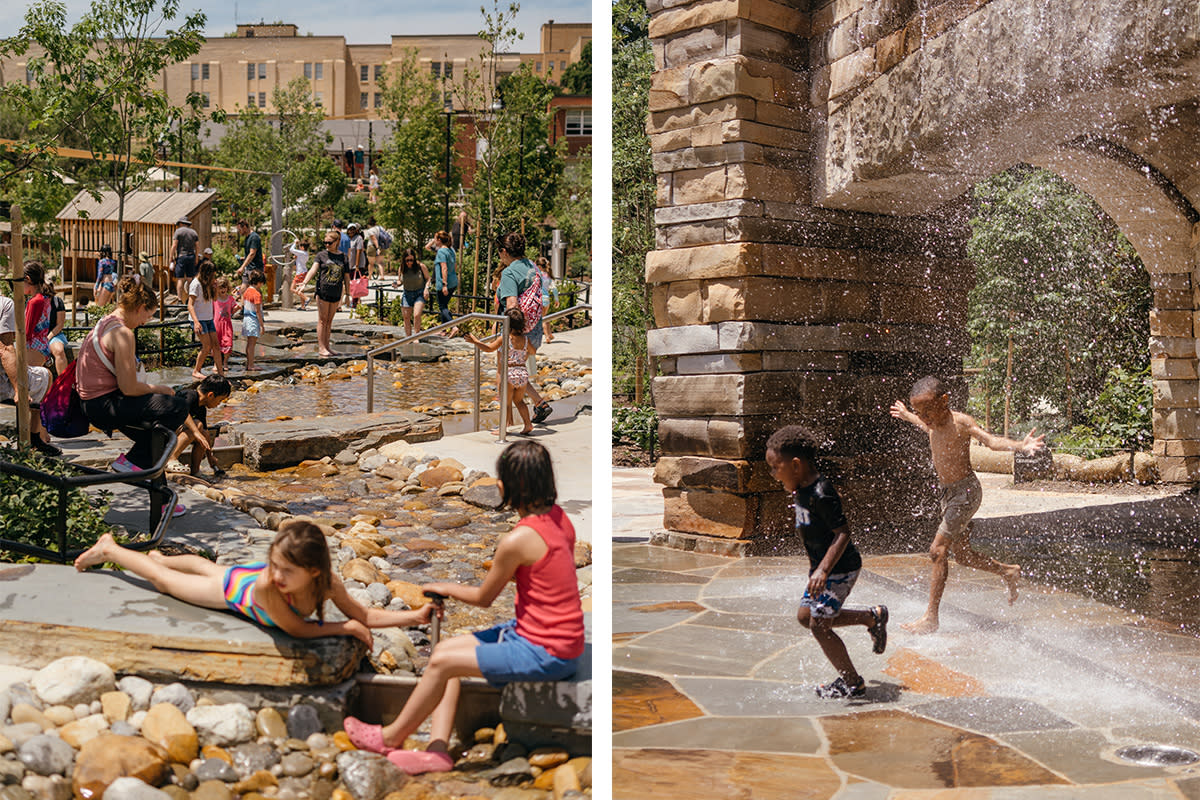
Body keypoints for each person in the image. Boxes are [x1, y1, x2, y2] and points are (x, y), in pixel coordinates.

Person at [342, 440, 584, 775]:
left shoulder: (517, 541)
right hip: (542, 635)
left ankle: (390, 736)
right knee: (445, 652)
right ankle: (438, 750)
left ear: (507, 485)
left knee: (440, 662)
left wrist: (445, 587)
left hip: (546, 651)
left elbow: (484, 599)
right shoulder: (559, 518)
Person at [74, 519, 436, 644]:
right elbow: (296, 629)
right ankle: (111, 549)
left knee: (210, 567)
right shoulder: (270, 583)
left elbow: (366, 615)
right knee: (164, 581)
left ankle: (161, 556)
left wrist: (415, 616)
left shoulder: (329, 584)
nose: (278, 575)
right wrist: (344, 629)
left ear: (313, 571)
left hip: (245, 579)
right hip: (239, 592)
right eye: (275, 564)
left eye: (286, 570)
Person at [890, 376, 1044, 634]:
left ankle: (931, 618)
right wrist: (907, 415)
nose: (925, 417)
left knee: (938, 550)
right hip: (947, 494)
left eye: (928, 410)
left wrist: (1020, 445)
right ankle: (1007, 571)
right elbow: (923, 425)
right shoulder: (931, 423)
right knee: (963, 555)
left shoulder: (960, 423)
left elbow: (992, 441)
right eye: (920, 412)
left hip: (966, 492)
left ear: (944, 401)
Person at [766, 425, 889, 698]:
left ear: (796, 465)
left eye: (776, 468)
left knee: (819, 625)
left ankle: (852, 683)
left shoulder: (822, 492)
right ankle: (872, 617)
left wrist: (823, 569)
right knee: (805, 617)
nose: (773, 474)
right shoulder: (801, 487)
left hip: (840, 569)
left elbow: (843, 532)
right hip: (822, 569)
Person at [77, 276, 189, 511]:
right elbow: (129, 387)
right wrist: (162, 389)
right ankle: (131, 462)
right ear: (139, 308)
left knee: (158, 438)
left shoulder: (105, 322)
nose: (145, 322)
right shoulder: (123, 333)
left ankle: (163, 501)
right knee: (178, 406)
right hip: (105, 405)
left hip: (91, 402)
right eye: (147, 316)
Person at [495, 232, 552, 424]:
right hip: (534, 328)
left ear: (504, 251)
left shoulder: (509, 273)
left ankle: (506, 425)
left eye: (499, 252)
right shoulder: (532, 266)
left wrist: (510, 337)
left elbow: (512, 306)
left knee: (506, 375)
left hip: (518, 332)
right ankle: (539, 404)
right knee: (517, 373)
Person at [0, 276, 59, 456]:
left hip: (32, 345)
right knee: (44, 377)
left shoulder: (35, 301)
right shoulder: (41, 300)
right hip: (36, 345)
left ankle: (38, 434)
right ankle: (35, 437)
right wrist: (19, 389)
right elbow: (6, 347)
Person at [463, 307, 534, 436]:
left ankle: (503, 429)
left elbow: (489, 348)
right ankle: (528, 424)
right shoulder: (525, 339)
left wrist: (475, 341)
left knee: (505, 403)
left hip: (509, 372)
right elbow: (533, 351)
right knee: (519, 401)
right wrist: (524, 356)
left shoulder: (506, 338)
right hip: (522, 372)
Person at [168, 374, 230, 478]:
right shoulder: (189, 395)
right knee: (198, 425)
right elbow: (183, 413)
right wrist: (196, 432)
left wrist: (210, 457)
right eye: (219, 400)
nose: (218, 404)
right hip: (163, 430)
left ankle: (195, 471)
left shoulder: (201, 409)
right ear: (210, 395)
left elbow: (205, 434)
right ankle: (171, 459)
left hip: (174, 433)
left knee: (204, 433)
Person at [300, 231, 349, 357]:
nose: (327, 245)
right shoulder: (321, 255)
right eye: (325, 242)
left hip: (336, 292)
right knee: (322, 320)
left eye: (329, 243)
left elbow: (346, 277)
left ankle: (327, 347)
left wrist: (348, 294)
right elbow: (313, 269)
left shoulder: (343, 257)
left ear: (337, 242)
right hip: (323, 291)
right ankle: (322, 347)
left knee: (329, 321)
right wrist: (304, 282)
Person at [188, 258, 222, 381]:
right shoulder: (195, 284)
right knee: (207, 346)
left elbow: (215, 299)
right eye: (212, 275)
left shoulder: (208, 284)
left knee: (216, 346)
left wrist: (215, 288)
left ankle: (221, 373)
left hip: (208, 318)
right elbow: (190, 305)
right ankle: (196, 370)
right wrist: (196, 322)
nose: (214, 277)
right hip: (199, 319)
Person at [22, 261, 52, 369]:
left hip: (33, 347)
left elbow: (26, 332)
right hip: (42, 345)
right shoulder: (44, 298)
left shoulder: (34, 301)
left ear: (28, 279)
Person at [426, 231, 458, 326]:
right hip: (453, 281)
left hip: (444, 283)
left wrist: (444, 284)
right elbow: (455, 266)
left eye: (435, 239)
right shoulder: (451, 250)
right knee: (445, 305)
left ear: (439, 240)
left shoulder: (441, 251)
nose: (434, 241)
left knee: (442, 306)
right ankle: (443, 329)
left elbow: (444, 268)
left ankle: (453, 327)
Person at [397, 248, 430, 337]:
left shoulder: (421, 266)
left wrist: (426, 288)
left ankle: (416, 336)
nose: (409, 262)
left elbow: (428, 278)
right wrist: (397, 284)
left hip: (419, 293)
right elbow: (400, 281)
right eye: (407, 260)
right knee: (406, 317)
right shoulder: (402, 268)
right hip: (407, 294)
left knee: (416, 314)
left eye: (411, 260)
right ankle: (408, 338)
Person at [43, 277, 70, 376]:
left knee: (59, 350)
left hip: (55, 334)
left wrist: (48, 337)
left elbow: (60, 325)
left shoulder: (57, 302)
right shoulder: (35, 302)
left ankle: (63, 383)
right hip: (38, 335)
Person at [170, 217, 200, 306]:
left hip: (181, 256)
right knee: (190, 279)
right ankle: (190, 299)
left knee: (180, 279)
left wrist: (171, 257)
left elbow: (174, 245)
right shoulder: (194, 232)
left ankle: (179, 300)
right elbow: (197, 247)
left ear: (181, 223)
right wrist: (196, 258)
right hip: (191, 256)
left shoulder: (178, 232)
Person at [242, 271, 265, 372]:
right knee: (252, 344)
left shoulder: (247, 291)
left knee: (249, 343)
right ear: (259, 282)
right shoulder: (256, 294)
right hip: (253, 320)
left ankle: (249, 363)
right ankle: (251, 365)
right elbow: (258, 311)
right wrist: (262, 325)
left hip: (246, 319)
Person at [234, 220, 264, 299]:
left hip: (255, 268)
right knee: (243, 288)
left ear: (244, 227)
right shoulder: (247, 238)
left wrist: (242, 267)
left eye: (239, 230)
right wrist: (243, 258)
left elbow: (252, 253)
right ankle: (243, 308)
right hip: (248, 267)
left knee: (255, 288)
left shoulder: (254, 237)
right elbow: (249, 254)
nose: (239, 232)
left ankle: (258, 307)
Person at [534, 256, 558, 343]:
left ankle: (547, 337)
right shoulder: (548, 275)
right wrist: (556, 299)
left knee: (542, 319)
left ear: (539, 266)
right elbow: (554, 289)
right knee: (546, 317)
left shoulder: (537, 275)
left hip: (540, 299)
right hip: (547, 299)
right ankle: (550, 334)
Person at [213, 276, 235, 365]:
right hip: (217, 324)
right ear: (217, 288)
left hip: (227, 324)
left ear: (227, 288)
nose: (223, 290)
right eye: (220, 288)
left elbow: (232, 310)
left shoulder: (230, 299)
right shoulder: (214, 299)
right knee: (216, 344)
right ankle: (216, 363)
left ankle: (225, 362)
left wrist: (237, 308)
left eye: (224, 287)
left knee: (228, 343)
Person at [346, 223, 366, 311]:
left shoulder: (358, 238)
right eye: (350, 229)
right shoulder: (348, 239)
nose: (351, 231)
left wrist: (357, 265)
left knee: (356, 283)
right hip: (350, 264)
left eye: (353, 229)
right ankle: (357, 300)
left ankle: (354, 302)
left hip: (357, 265)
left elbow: (358, 252)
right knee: (352, 284)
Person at [289, 240, 311, 310]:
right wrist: (296, 257)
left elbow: (291, 249)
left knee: (292, 289)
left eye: (299, 246)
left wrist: (294, 242)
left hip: (300, 273)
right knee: (301, 290)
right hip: (304, 272)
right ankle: (303, 306)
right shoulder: (305, 253)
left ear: (302, 247)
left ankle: (306, 298)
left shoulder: (301, 253)